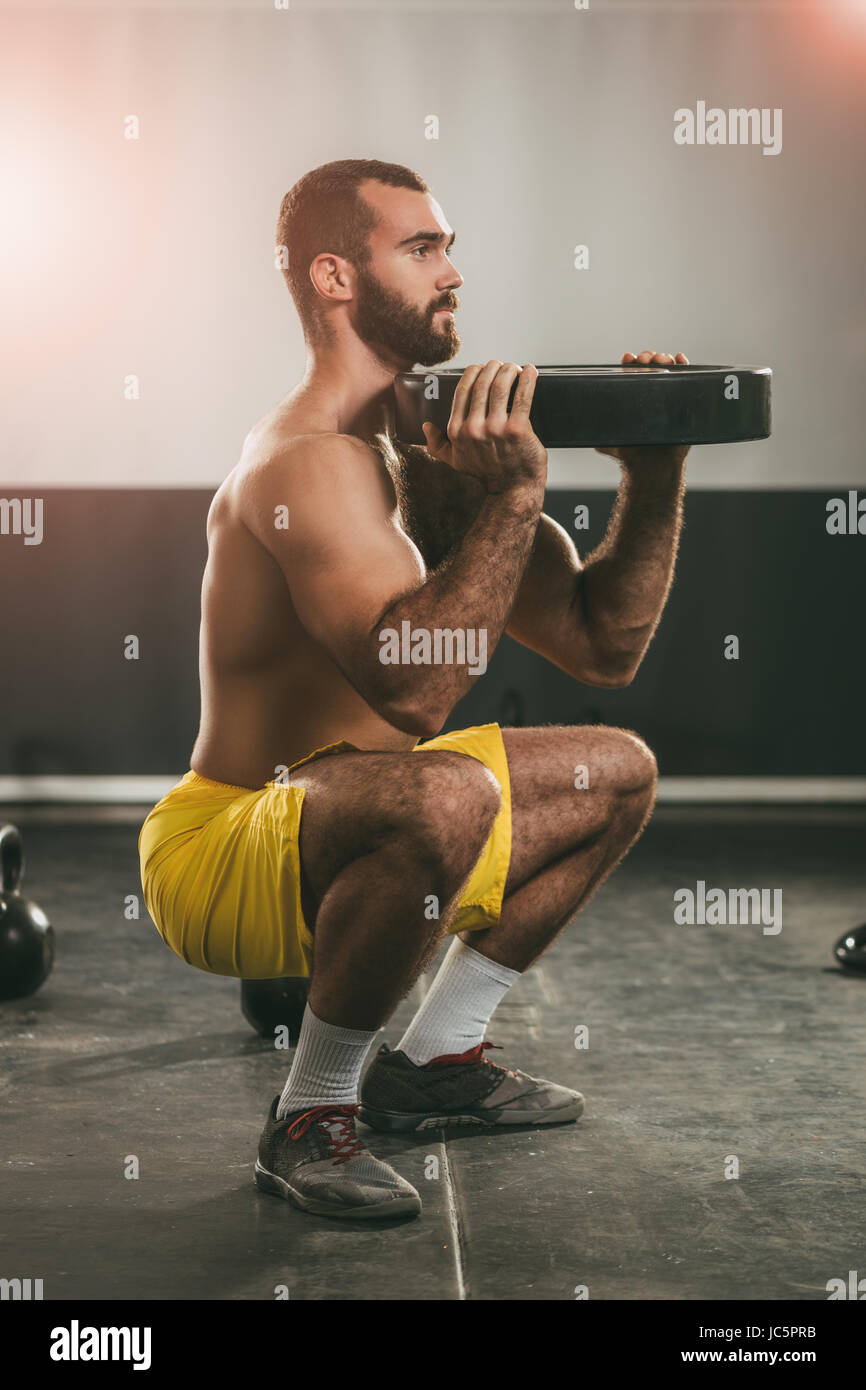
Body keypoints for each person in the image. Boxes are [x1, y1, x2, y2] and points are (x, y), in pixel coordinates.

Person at [139, 158, 690, 1221]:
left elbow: (601, 643)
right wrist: (515, 492)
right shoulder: (306, 464)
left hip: (377, 818)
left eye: (449, 246)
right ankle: (310, 1117)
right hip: (223, 849)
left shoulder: (429, 458)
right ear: (336, 278)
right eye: (423, 248)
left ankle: (433, 1062)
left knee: (613, 772)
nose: (454, 273)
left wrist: (651, 473)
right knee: (442, 789)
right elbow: (416, 700)